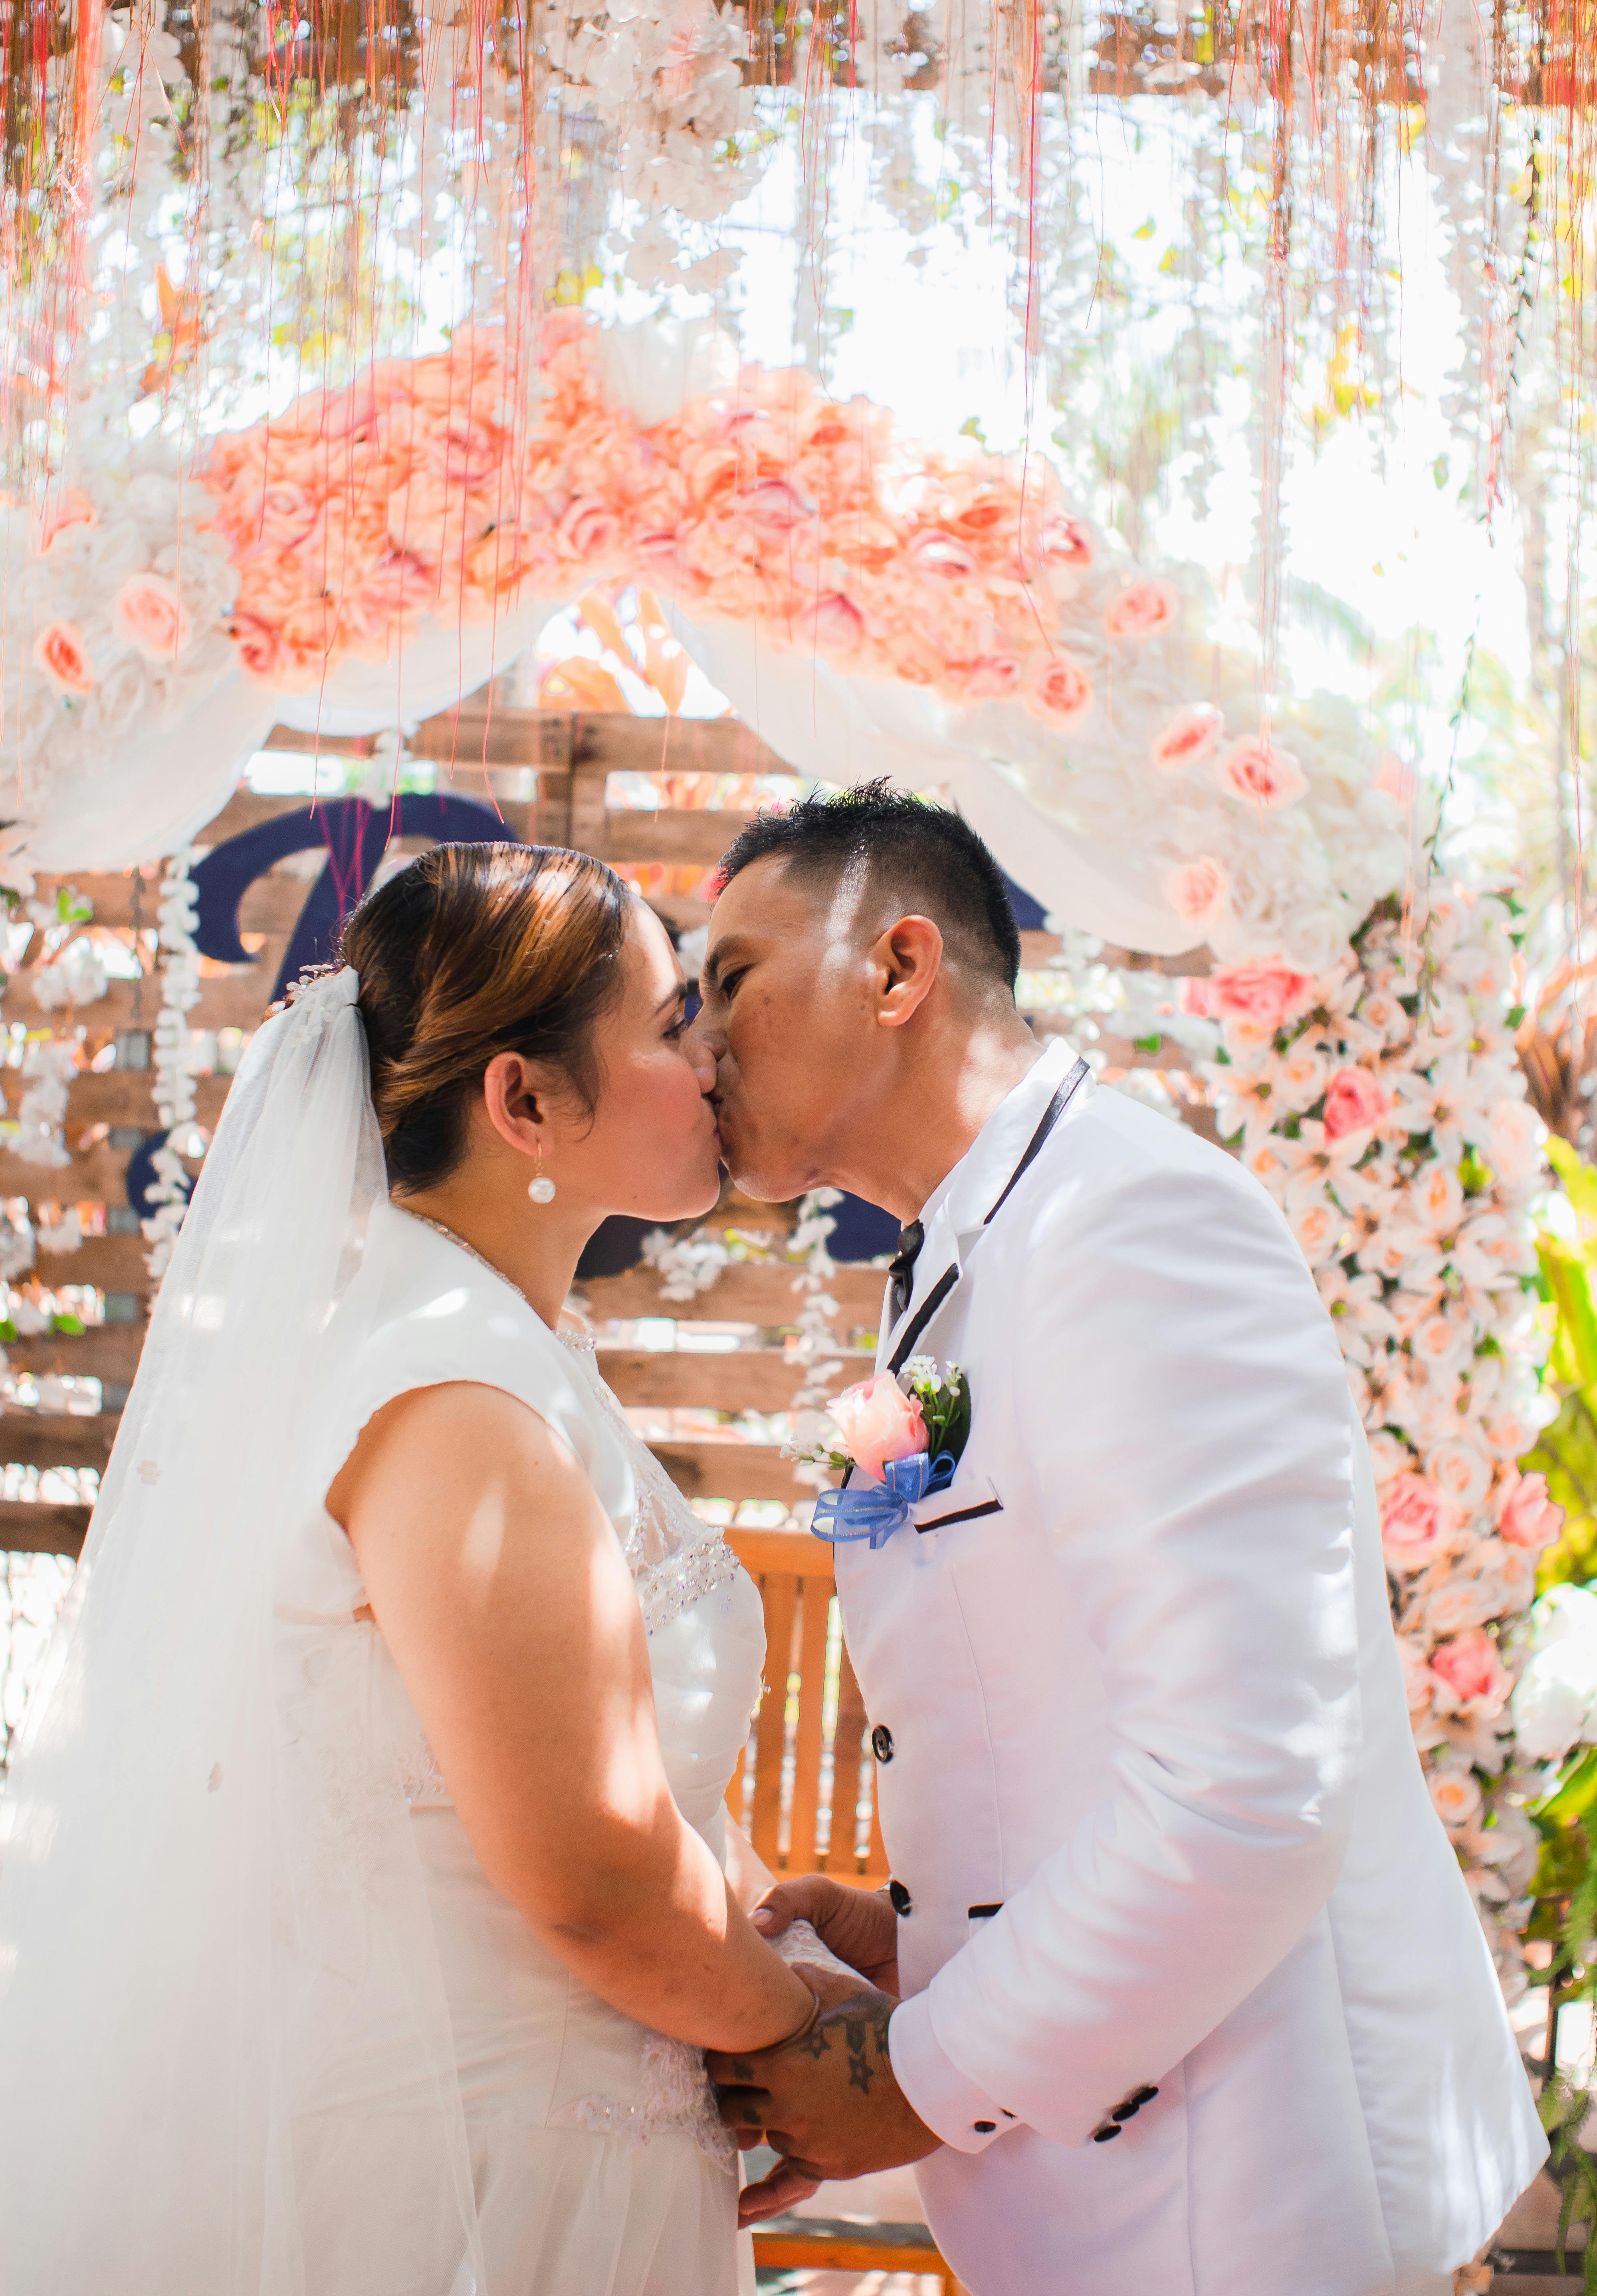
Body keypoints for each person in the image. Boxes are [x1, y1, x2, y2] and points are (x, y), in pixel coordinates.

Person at [688, 782, 1547, 2296]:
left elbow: (1247, 1790)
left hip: (1237, 2183)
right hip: (1087, 2169)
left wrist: (914, 2073)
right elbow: (1039, 1694)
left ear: (898, 967)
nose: (701, 1046)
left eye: (732, 980)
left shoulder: (1132, 1222)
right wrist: (918, 1941)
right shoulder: (963, 1251)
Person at [0, 841, 818, 2296]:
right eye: (672, 1023)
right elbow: (592, 1877)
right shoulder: (454, 1395)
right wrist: (825, 2048)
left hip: (568, 2137)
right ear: (525, 1101)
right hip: (475, 2192)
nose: (713, 1061)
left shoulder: (490, 1340)